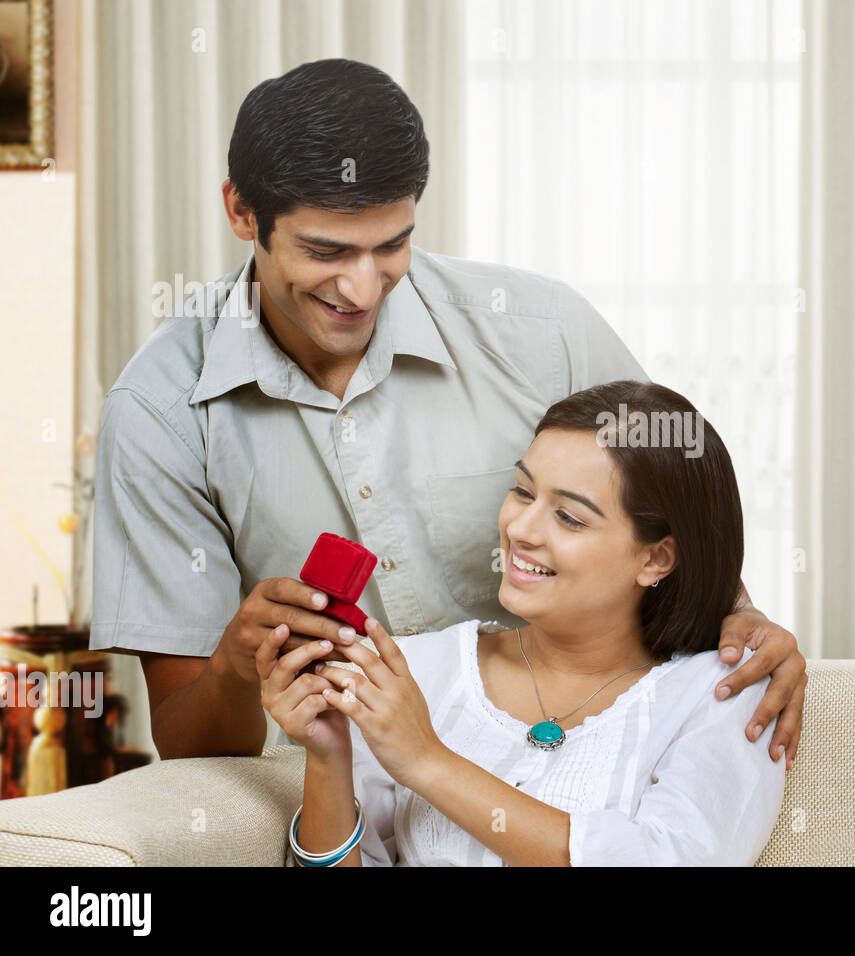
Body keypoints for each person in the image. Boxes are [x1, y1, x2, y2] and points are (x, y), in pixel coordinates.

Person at [90, 57, 806, 770]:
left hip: (577, 765)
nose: (362, 288)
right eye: (325, 251)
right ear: (243, 212)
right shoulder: (160, 413)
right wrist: (235, 666)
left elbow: (675, 499)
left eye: (391, 245)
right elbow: (191, 745)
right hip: (348, 800)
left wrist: (737, 611)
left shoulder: (542, 331)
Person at [261, 381, 785, 866]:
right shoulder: (415, 670)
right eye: (523, 492)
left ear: (656, 559)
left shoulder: (723, 694)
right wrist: (328, 757)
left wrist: (427, 761)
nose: (520, 528)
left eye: (570, 517)